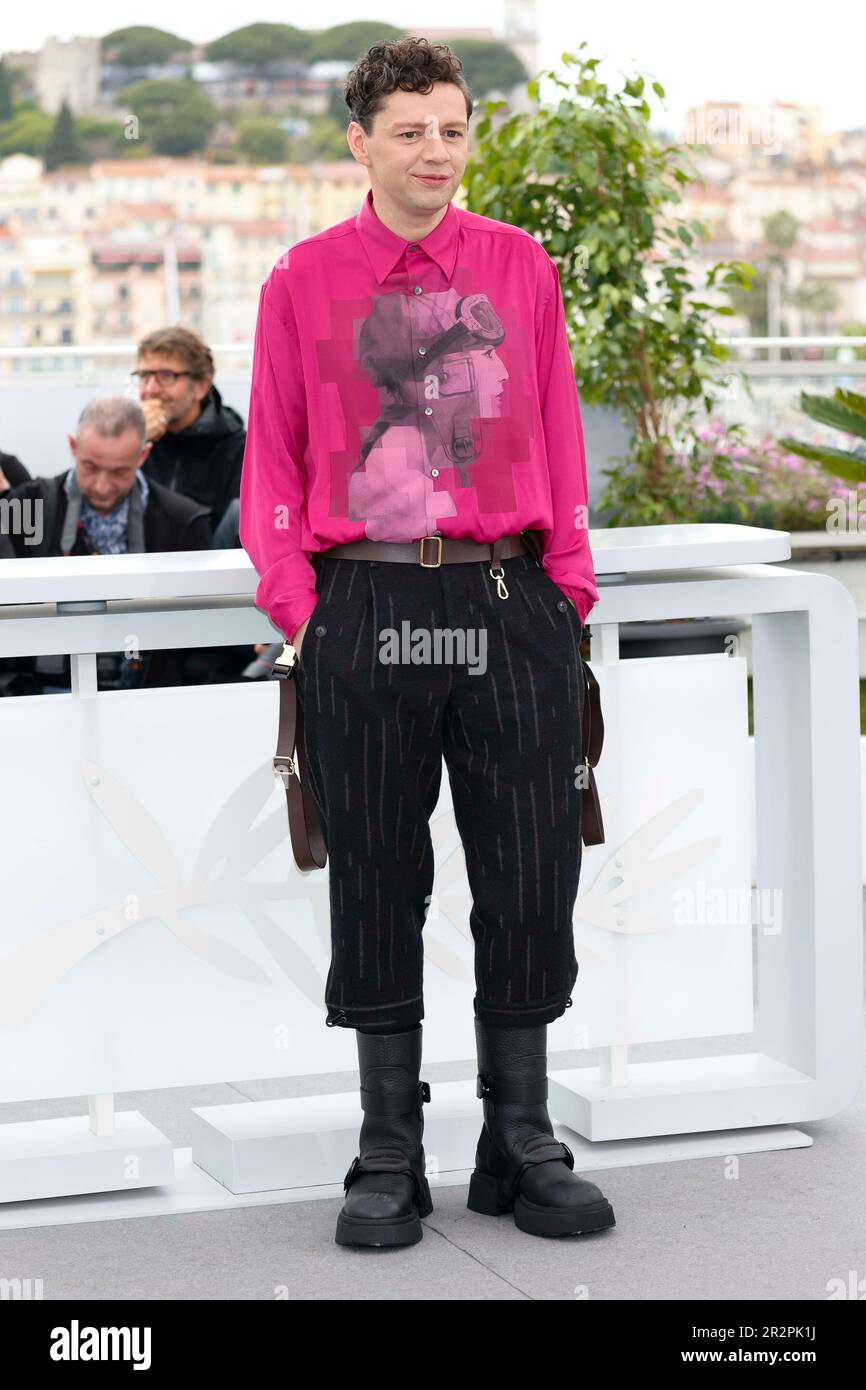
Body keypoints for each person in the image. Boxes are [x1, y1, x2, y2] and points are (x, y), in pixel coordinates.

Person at [239, 37, 613, 1249]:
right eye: (408, 130)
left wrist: (568, 598)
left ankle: (522, 1139)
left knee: (527, 871)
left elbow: (555, 426)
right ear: (357, 141)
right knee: (377, 876)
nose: (434, 152)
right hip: (365, 604)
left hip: (511, 607)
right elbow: (275, 459)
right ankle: (387, 1150)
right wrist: (306, 612)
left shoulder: (518, 265)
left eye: (450, 128)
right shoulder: (300, 279)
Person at [0, 396, 212, 693]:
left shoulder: (184, 524)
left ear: (143, 455)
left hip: (147, 697)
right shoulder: (26, 509)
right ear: (73, 447)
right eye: (90, 467)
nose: (102, 485)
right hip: (41, 693)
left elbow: (201, 643)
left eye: (119, 472)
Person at [135, 326, 246, 534]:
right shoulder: (136, 437)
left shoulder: (236, 447)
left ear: (200, 387)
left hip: (208, 556)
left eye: (166, 376)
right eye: (144, 376)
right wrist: (135, 442)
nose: (150, 389)